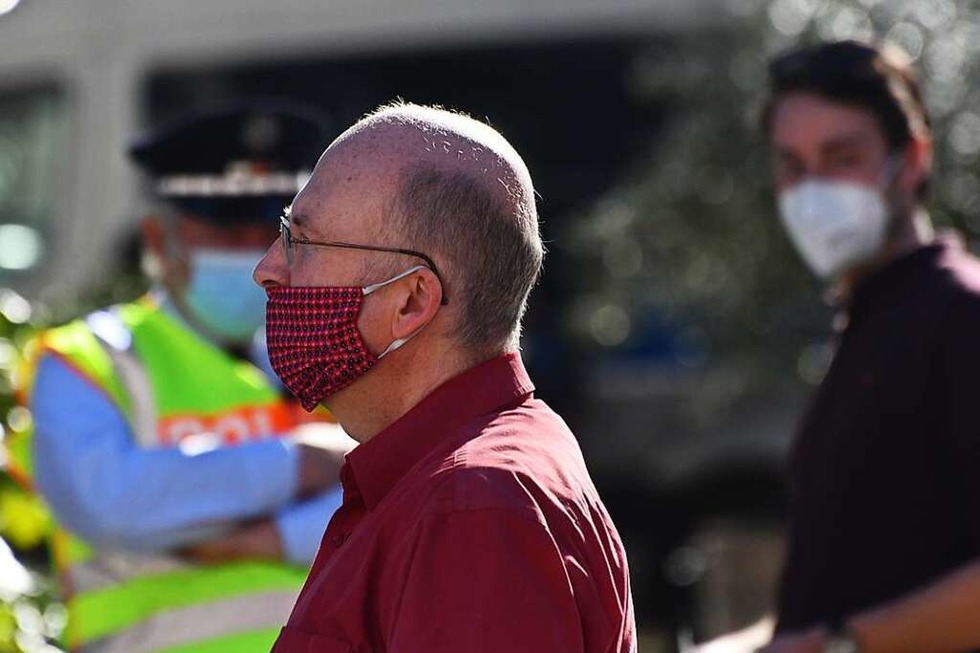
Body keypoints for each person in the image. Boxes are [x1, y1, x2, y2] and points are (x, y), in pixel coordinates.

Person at [253, 101, 637, 652]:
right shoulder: (452, 487)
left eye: (301, 242)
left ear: (411, 300)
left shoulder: (472, 507)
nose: (267, 268)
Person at [13, 100, 353, 653]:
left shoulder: (330, 343)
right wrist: (303, 461)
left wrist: (274, 538)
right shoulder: (84, 360)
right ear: (157, 240)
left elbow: (398, 492)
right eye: (225, 229)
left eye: (269, 228)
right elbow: (113, 503)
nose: (251, 251)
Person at [755, 40, 980, 653]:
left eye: (842, 157)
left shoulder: (960, 316)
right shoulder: (868, 323)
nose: (812, 190)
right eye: (793, 165)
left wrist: (840, 645)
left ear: (911, 160)